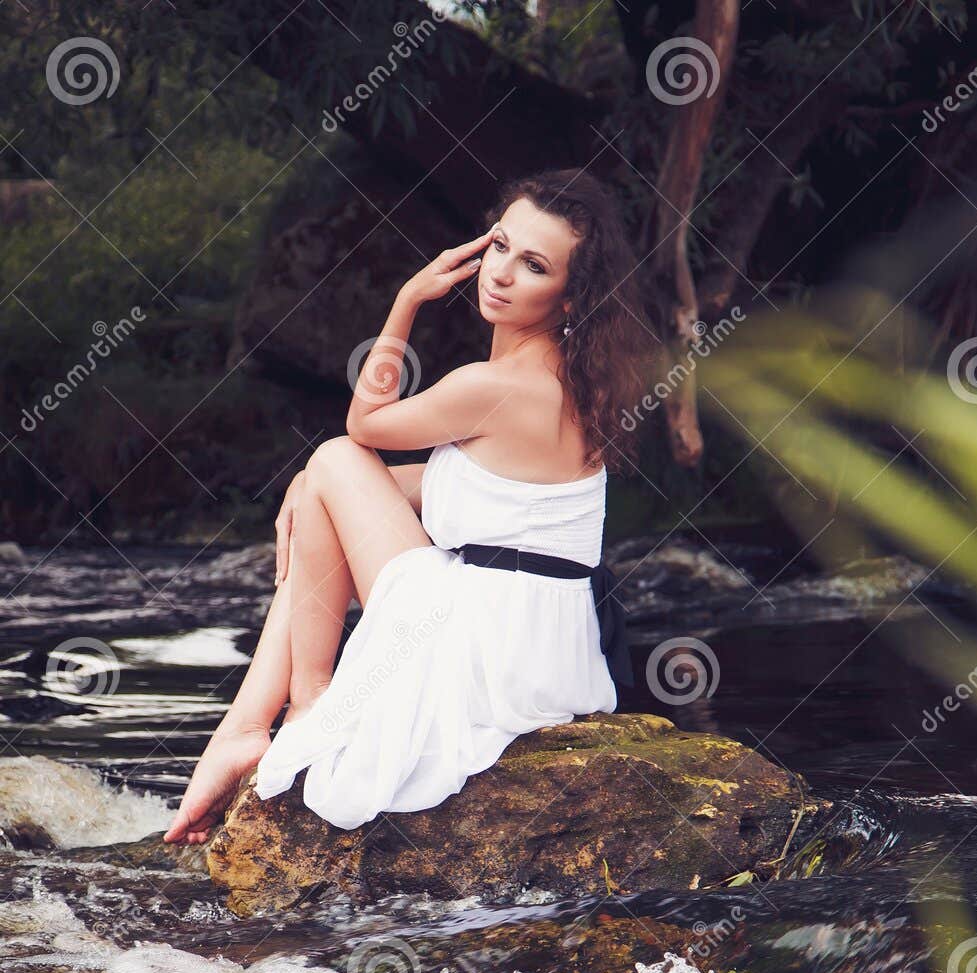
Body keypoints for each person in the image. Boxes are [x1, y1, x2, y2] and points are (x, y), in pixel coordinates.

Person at [163, 168, 655, 846]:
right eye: (500, 246)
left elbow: (363, 426)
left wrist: (406, 301)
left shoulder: (492, 384)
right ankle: (245, 730)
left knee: (333, 458)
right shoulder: (570, 383)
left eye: (533, 265)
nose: (502, 272)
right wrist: (307, 497)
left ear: (570, 299)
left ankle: (304, 709)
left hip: (494, 648)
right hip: (545, 647)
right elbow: (462, 488)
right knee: (320, 481)